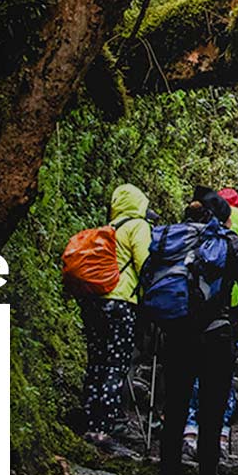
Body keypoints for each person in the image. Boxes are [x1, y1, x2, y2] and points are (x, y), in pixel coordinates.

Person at [158, 189, 238, 475]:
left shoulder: (170, 241)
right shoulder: (228, 242)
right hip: (215, 338)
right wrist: (233, 321)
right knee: (211, 417)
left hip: (176, 337)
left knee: (173, 417)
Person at [76, 183, 151, 454]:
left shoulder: (109, 230)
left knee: (96, 362)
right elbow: (145, 264)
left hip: (94, 302)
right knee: (115, 365)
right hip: (120, 303)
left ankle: (89, 420)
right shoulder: (137, 227)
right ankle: (103, 428)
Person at [186, 186, 238, 456]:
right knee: (223, 376)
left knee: (192, 371)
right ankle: (220, 433)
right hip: (226, 317)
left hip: (193, 316)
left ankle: (190, 425)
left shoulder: (197, 232)